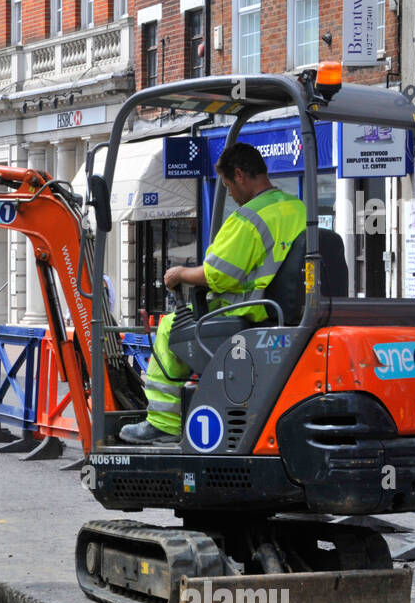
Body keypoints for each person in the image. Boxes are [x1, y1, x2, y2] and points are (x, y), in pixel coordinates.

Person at [120, 142, 307, 445]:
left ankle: (165, 422)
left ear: (239, 175)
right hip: (285, 313)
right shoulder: (298, 208)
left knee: (169, 328)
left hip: (246, 314)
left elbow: (217, 274)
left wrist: (179, 274)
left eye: (228, 186)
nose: (230, 194)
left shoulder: (249, 218)